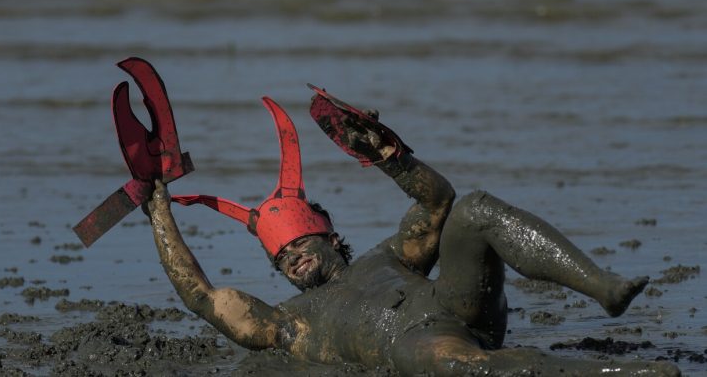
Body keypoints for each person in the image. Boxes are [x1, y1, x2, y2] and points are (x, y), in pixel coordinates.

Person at [143, 90, 680, 376]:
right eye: (281, 258)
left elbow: (437, 202)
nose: (291, 258)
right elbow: (202, 296)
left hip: (459, 304)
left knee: (472, 208)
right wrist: (158, 206)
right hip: (417, 345)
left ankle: (601, 287)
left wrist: (387, 156)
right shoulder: (291, 324)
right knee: (451, 362)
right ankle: (620, 373)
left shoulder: (388, 257)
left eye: (298, 244)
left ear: (330, 238)